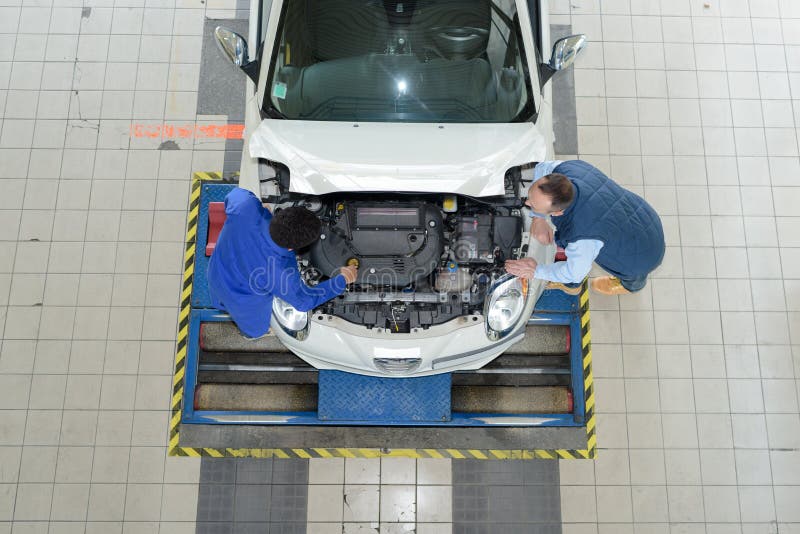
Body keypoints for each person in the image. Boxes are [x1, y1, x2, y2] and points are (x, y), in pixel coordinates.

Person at [208, 188, 357, 338]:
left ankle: (218, 300)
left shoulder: (246, 206)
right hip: (241, 296)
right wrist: (342, 280)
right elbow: (304, 301)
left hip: (217, 270)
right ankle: (250, 334)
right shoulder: (281, 273)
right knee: (256, 330)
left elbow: (233, 195)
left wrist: (259, 208)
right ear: (294, 248)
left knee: (218, 291)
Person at [504, 160, 665, 296]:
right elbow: (542, 168)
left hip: (642, 257)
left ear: (558, 212)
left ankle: (628, 286)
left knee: (634, 276)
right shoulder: (569, 168)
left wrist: (535, 270)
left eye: (533, 204)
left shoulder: (582, 235)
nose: (526, 203)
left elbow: (574, 273)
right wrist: (538, 217)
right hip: (644, 217)